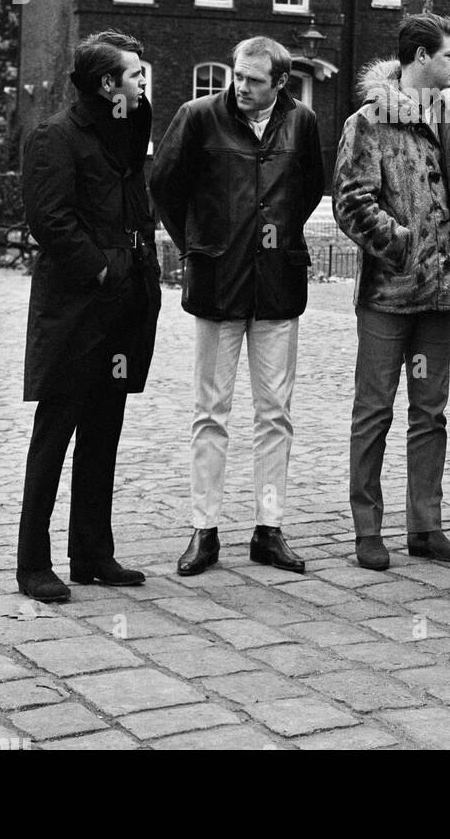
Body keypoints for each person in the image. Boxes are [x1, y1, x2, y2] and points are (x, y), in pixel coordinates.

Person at [150, 37, 324, 577]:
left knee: (276, 413)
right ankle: (205, 529)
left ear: (280, 83)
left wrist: (278, 237)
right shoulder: (198, 117)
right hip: (218, 282)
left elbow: (310, 189)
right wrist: (197, 245)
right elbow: (164, 187)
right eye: (237, 75)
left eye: (253, 80)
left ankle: (268, 529)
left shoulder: (303, 123)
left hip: (277, 286)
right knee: (211, 412)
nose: (241, 86)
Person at [16, 31, 162, 603]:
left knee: (105, 430)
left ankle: (92, 553)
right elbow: (49, 221)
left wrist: (131, 276)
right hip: (77, 310)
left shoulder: (123, 125)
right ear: (106, 83)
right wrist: (102, 270)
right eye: (134, 73)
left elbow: (136, 157)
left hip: (125, 308)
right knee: (54, 436)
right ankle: (33, 563)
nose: (144, 82)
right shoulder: (55, 136)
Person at [333, 12, 450, 571]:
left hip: (442, 296)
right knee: (373, 413)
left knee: (431, 413)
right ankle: (368, 529)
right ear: (420, 57)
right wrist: (399, 245)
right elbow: (351, 201)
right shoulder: (369, 121)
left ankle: (426, 526)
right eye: (449, 55)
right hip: (389, 296)